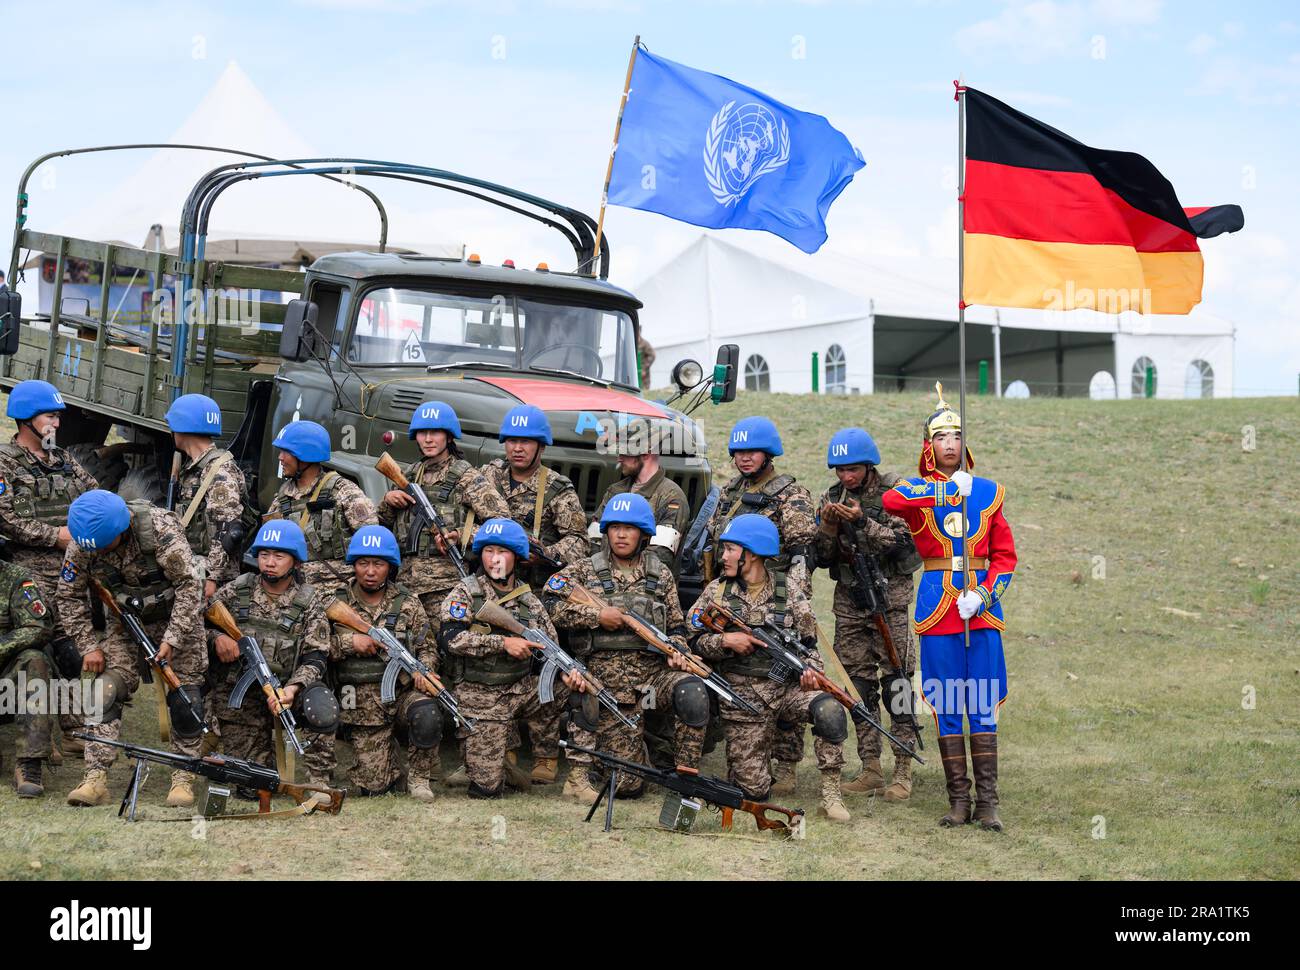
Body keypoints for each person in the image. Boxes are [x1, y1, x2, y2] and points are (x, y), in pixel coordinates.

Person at [882, 385, 1018, 831]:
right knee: (945, 702)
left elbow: (1005, 557)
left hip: (977, 607)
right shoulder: (918, 490)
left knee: (981, 701)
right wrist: (944, 494)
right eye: (941, 437)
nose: (950, 444)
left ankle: (988, 803)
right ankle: (958, 801)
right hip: (938, 607)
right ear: (929, 446)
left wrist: (984, 595)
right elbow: (891, 501)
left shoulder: (990, 492)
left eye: (957, 436)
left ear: (966, 444)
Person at [686, 514, 850, 822]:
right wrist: (726, 642)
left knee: (830, 709)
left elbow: (809, 644)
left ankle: (831, 793)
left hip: (787, 690)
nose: (723, 556)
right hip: (743, 700)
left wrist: (811, 673)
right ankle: (762, 768)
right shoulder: (716, 592)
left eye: (730, 550)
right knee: (753, 793)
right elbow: (693, 640)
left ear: (752, 553)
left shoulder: (788, 591)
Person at [547, 493, 709, 804]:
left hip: (650, 681)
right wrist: (597, 616)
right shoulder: (582, 570)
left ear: (643, 534)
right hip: (603, 683)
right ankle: (590, 772)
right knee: (626, 787)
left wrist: (676, 651)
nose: (622, 535)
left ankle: (687, 779)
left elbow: (675, 627)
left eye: (630, 528)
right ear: (606, 532)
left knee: (692, 691)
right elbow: (551, 603)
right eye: (615, 528)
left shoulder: (659, 574)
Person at [60, 491, 207, 808]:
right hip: (125, 624)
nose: (96, 552)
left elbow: (189, 585)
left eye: (104, 545)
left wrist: (173, 638)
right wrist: (88, 646)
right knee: (104, 690)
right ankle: (95, 777)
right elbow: (69, 596)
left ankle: (183, 777)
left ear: (122, 530)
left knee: (186, 698)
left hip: (177, 619)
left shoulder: (159, 529)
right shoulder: (86, 541)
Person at [703, 416, 817, 795]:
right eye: (738, 452)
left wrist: (788, 595)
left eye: (751, 452)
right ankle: (750, 754)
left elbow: (802, 546)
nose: (744, 458)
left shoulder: (791, 494)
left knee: (787, 674)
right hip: (732, 592)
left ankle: (787, 765)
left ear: (769, 454)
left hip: (779, 595)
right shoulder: (727, 492)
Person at [265, 420, 377, 785]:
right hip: (296, 603)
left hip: (340, 604)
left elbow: (371, 543)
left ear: (307, 457)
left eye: (287, 452)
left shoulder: (343, 492)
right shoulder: (282, 496)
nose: (280, 457)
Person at [815, 427, 922, 801]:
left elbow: (902, 541)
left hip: (889, 598)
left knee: (898, 681)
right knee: (856, 686)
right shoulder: (831, 497)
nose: (847, 477)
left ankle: (904, 766)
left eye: (853, 469)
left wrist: (863, 522)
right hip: (849, 601)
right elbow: (822, 557)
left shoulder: (897, 492)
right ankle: (871, 765)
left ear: (868, 465)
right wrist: (828, 527)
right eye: (840, 470)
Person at [0, 379, 98, 760]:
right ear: (26, 419)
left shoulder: (65, 461)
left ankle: (73, 726)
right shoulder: (5, 462)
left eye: (57, 416)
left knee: (73, 651)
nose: (55, 423)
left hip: (73, 571)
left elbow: (94, 496)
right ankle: (41, 733)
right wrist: (51, 535)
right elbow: (5, 518)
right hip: (29, 571)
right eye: (49, 415)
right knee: (39, 651)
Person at [437, 518, 569, 799]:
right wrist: (502, 643)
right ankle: (491, 763)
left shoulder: (530, 601)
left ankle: (571, 771)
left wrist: (567, 672)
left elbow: (551, 649)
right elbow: (451, 641)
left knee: (574, 688)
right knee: (486, 789)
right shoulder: (466, 592)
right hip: (479, 694)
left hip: (519, 689)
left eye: (503, 552)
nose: (495, 559)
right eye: (489, 551)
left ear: (517, 557)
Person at [206, 520, 338, 796]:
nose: (269, 562)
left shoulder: (308, 600)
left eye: (279, 556)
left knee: (320, 702)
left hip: (287, 689)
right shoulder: (239, 589)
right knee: (251, 787)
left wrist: (293, 688)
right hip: (241, 695)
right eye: (265, 555)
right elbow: (197, 622)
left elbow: (316, 657)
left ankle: (318, 779)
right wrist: (217, 638)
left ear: (295, 562)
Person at [327, 525, 441, 800]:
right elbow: (313, 648)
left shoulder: (408, 602)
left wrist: (424, 671)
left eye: (378, 564)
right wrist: (349, 643)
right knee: (374, 789)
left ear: (390, 567)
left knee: (427, 712)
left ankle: (420, 779)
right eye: (363, 563)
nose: (369, 571)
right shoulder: (334, 602)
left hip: (402, 694)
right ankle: (390, 768)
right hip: (359, 701)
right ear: (353, 565)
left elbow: (428, 647)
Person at [165, 393, 250, 599]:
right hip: (194, 566)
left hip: (213, 578)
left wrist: (212, 578)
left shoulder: (219, 471)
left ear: (183, 427)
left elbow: (229, 530)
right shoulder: (195, 468)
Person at [591, 417, 689, 577]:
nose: (619, 458)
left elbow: (660, 556)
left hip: (647, 589)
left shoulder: (671, 497)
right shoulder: (615, 491)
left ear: (646, 454)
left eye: (625, 453)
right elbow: (594, 541)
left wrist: (620, 579)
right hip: (601, 581)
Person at [0, 558, 56, 797]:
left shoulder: (15, 579)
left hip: (5, 683)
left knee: (34, 659)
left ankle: (29, 763)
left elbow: (37, 627)